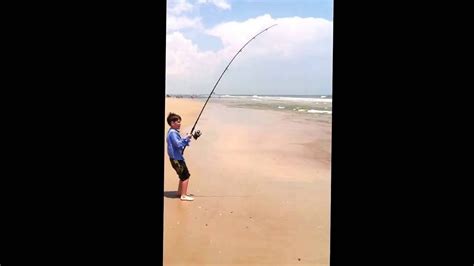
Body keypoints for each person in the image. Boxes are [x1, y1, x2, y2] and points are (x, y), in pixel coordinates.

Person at [166, 112, 194, 201]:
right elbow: (178, 145)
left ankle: (180, 192)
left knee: (182, 175)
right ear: (172, 123)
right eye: (177, 122)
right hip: (176, 159)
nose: (179, 123)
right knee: (185, 176)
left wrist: (186, 138)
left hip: (176, 158)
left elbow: (178, 142)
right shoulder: (173, 133)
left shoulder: (172, 132)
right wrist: (186, 139)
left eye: (180, 121)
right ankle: (184, 195)